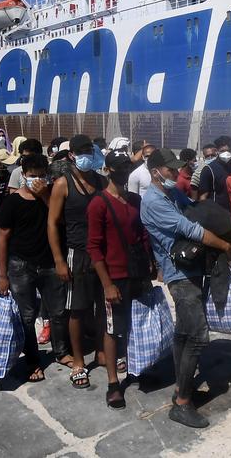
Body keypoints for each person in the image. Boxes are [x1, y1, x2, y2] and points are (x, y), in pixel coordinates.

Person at [140, 147, 231, 428]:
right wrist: (226, 246)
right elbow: (190, 228)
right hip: (178, 274)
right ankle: (181, 405)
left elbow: (193, 209)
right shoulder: (153, 201)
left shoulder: (171, 193)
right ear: (156, 172)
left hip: (192, 269)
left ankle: (182, 388)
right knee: (197, 335)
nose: (175, 173)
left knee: (183, 335)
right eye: (170, 170)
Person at [0, 153, 70, 383]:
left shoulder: (51, 199)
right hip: (21, 266)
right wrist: (2, 274)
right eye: (31, 176)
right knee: (27, 316)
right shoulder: (12, 202)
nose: (36, 180)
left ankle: (62, 352)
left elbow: (61, 221)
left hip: (49, 264)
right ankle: (33, 360)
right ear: (22, 176)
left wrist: (46, 195)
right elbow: (2, 238)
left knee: (57, 312)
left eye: (41, 176)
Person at [87, 154, 151, 409]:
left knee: (137, 325)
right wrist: (107, 284)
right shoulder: (98, 204)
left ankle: (137, 366)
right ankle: (114, 383)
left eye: (128, 167)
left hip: (136, 273)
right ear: (108, 170)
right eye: (120, 167)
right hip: (114, 277)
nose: (124, 172)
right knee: (113, 329)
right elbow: (93, 247)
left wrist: (151, 266)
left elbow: (142, 234)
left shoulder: (135, 200)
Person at [47, 134, 106, 388]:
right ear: (71, 155)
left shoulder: (101, 182)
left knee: (104, 305)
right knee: (77, 309)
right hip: (77, 252)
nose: (85, 157)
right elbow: (52, 223)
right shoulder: (63, 184)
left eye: (88, 152)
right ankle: (79, 361)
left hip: (101, 253)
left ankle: (103, 351)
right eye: (80, 152)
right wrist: (60, 260)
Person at [198, 135, 231, 210]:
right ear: (217, 151)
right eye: (222, 151)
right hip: (216, 212)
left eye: (228, 151)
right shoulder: (209, 169)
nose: (226, 153)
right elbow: (203, 197)